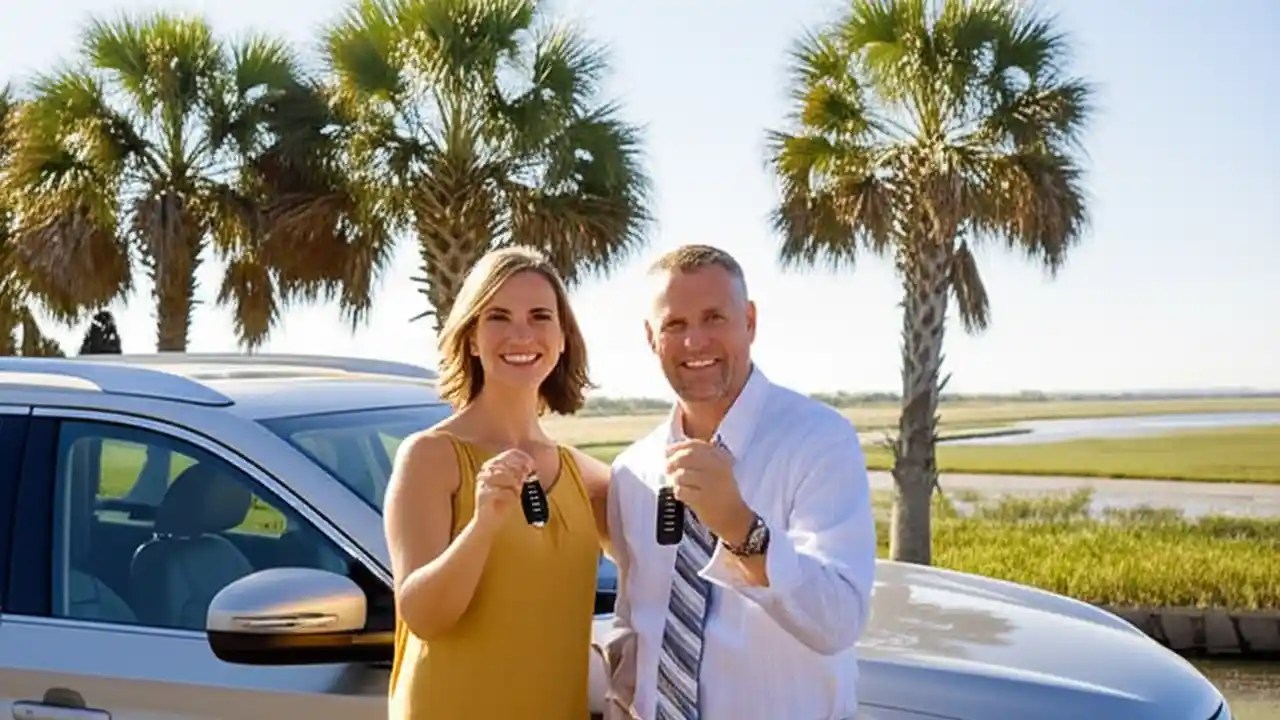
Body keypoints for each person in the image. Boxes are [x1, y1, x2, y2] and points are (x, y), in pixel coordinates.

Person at [599, 244, 877, 719]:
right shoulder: (634, 470)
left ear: (749, 320)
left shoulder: (819, 440)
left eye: (714, 318)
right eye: (675, 325)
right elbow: (636, 618)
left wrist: (744, 531)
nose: (695, 342)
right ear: (651, 337)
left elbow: (838, 622)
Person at [384, 246, 612, 719]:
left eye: (539, 316)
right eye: (498, 317)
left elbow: (673, 564)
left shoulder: (583, 476)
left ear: (563, 337)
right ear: (470, 339)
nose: (521, 334)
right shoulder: (430, 457)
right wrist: (484, 523)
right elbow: (423, 615)